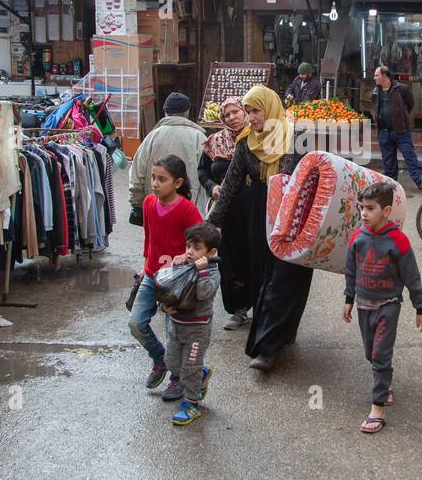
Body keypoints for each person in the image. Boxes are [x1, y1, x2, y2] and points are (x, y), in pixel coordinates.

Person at [208, 85, 311, 372]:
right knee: (266, 277)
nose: (251, 117)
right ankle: (270, 343)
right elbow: (229, 186)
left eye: (255, 110)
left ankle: (272, 344)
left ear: (270, 108)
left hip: (292, 216)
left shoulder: (298, 138)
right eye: (249, 110)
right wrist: (210, 224)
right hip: (260, 215)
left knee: (287, 278)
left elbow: (314, 177)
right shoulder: (246, 144)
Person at [342, 181, 422, 435]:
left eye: (370, 208)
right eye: (361, 208)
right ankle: (385, 381)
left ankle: (377, 407)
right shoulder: (358, 238)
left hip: (388, 305)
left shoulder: (398, 241)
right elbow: (351, 271)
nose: (364, 214)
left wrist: (420, 307)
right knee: (370, 353)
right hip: (362, 304)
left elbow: (412, 277)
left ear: (387, 211)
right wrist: (348, 299)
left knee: (380, 354)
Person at [129, 155, 203, 390]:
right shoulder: (149, 203)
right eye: (153, 178)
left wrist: (188, 258)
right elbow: (149, 237)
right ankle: (159, 359)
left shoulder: (187, 210)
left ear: (178, 183)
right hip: (151, 275)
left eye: (162, 179)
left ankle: (177, 379)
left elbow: (201, 244)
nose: (155, 183)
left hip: (176, 283)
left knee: (175, 334)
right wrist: (145, 266)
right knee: (136, 323)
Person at [158, 222, 222, 426]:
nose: (190, 252)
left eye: (197, 248)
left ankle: (191, 403)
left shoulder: (212, 273)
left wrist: (202, 270)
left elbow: (203, 293)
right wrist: (163, 306)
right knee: (171, 362)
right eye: (188, 247)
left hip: (197, 330)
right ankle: (201, 373)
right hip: (176, 325)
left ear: (211, 252)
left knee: (189, 368)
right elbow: (169, 288)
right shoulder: (183, 264)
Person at [198, 96, 253, 329]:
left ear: (245, 112)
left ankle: (256, 302)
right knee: (228, 260)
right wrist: (213, 187)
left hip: (251, 211)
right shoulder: (215, 141)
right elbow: (203, 172)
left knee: (252, 257)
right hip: (225, 213)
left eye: (235, 112)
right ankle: (237, 309)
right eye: (227, 114)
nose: (232, 117)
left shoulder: (256, 139)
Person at [129, 92, 208, 215]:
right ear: (187, 112)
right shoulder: (199, 137)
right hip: (190, 209)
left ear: (165, 112)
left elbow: (137, 173)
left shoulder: (153, 136)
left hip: (156, 207)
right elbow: (206, 176)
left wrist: (137, 203)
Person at [371, 66, 422, 191]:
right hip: (384, 131)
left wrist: (402, 116)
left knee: (409, 156)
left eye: (377, 75)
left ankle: (419, 179)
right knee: (388, 160)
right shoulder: (375, 91)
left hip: (401, 130)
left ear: (385, 76)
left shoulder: (401, 89)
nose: (374, 78)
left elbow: (410, 103)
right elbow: (375, 106)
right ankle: (390, 185)